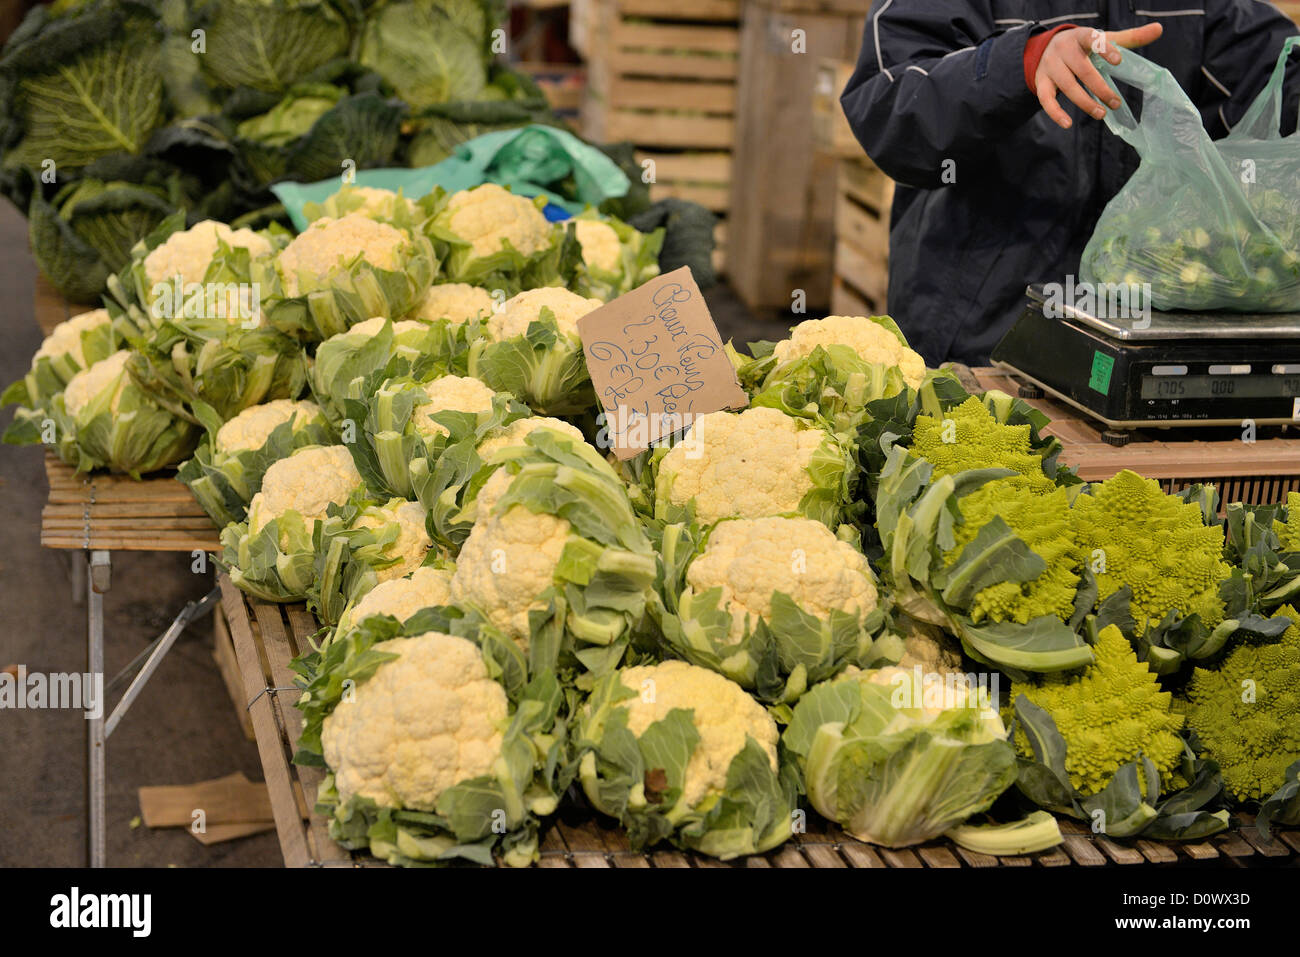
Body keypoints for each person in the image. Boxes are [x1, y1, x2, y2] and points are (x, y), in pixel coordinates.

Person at [841, 2, 1300, 366]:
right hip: (982, 348)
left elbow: (1275, 70)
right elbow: (889, 105)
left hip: (1149, 348)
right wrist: (1021, 60)